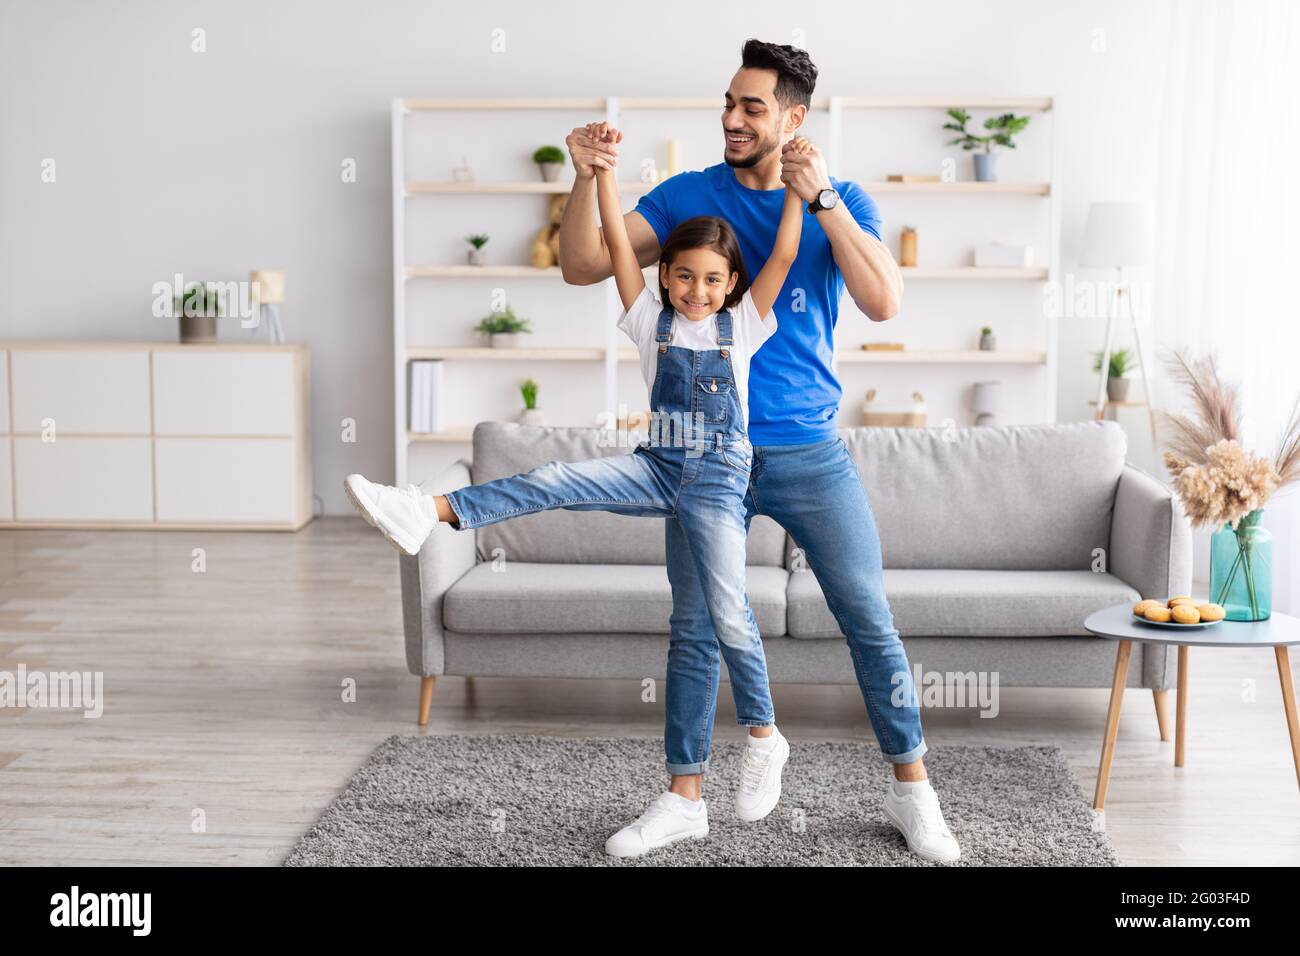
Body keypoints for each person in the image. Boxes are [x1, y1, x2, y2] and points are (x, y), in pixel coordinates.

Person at [344, 125, 810, 859]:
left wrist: (796, 185)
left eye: (712, 279)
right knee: (555, 478)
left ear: (731, 285)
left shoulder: (743, 327)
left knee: (723, 609)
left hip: (719, 481)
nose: (696, 289)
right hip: (657, 466)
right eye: (684, 275)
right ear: (668, 280)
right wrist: (597, 173)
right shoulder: (648, 320)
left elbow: (784, 253)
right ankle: (427, 510)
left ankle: (764, 735)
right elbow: (618, 250)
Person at [557, 39, 961, 863]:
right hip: (702, 456)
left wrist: (824, 205)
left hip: (808, 449)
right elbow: (582, 264)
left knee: (869, 621)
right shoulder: (686, 196)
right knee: (694, 626)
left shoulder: (839, 200)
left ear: (793, 118)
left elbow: (884, 302)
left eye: (752, 107)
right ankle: (684, 799)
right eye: (729, 103)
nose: (733, 119)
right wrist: (583, 174)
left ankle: (914, 792)